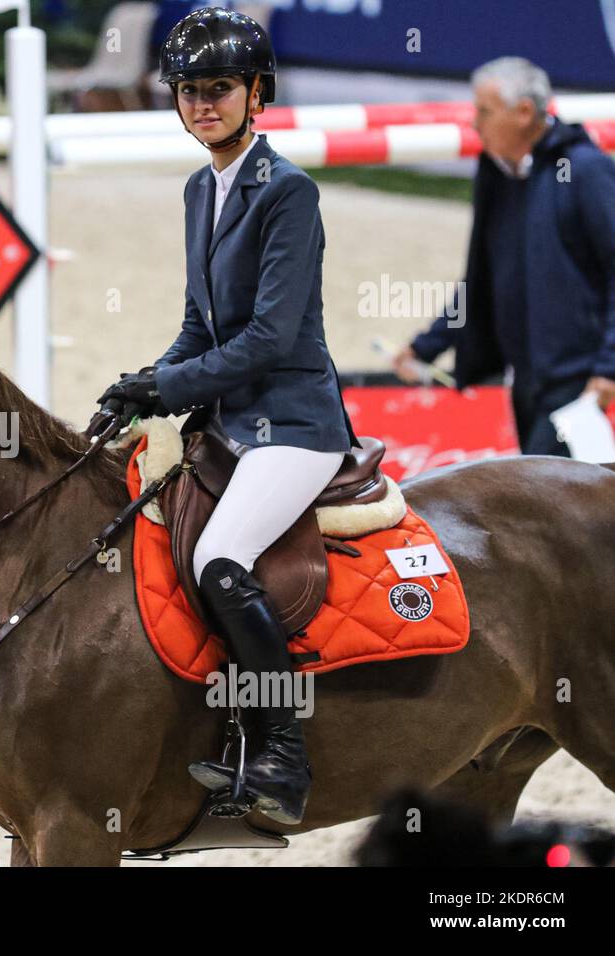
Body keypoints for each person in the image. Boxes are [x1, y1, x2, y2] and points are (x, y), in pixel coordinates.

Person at [96, 7, 359, 825]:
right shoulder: (196, 189)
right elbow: (199, 325)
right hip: (231, 421)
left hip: (293, 420)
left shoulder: (288, 192)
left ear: (257, 94)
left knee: (219, 556)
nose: (202, 104)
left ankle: (282, 755)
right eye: (188, 91)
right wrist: (144, 379)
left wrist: (170, 392)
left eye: (219, 89)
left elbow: (268, 338)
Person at [394, 57, 615, 454]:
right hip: (526, 379)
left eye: (484, 111)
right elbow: (483, 280)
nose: (474, 123)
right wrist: (427, 345)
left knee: (547, 505)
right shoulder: (497, 175)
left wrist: (608, 368)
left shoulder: (586, 172)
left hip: (580, 385)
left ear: (524, 112)